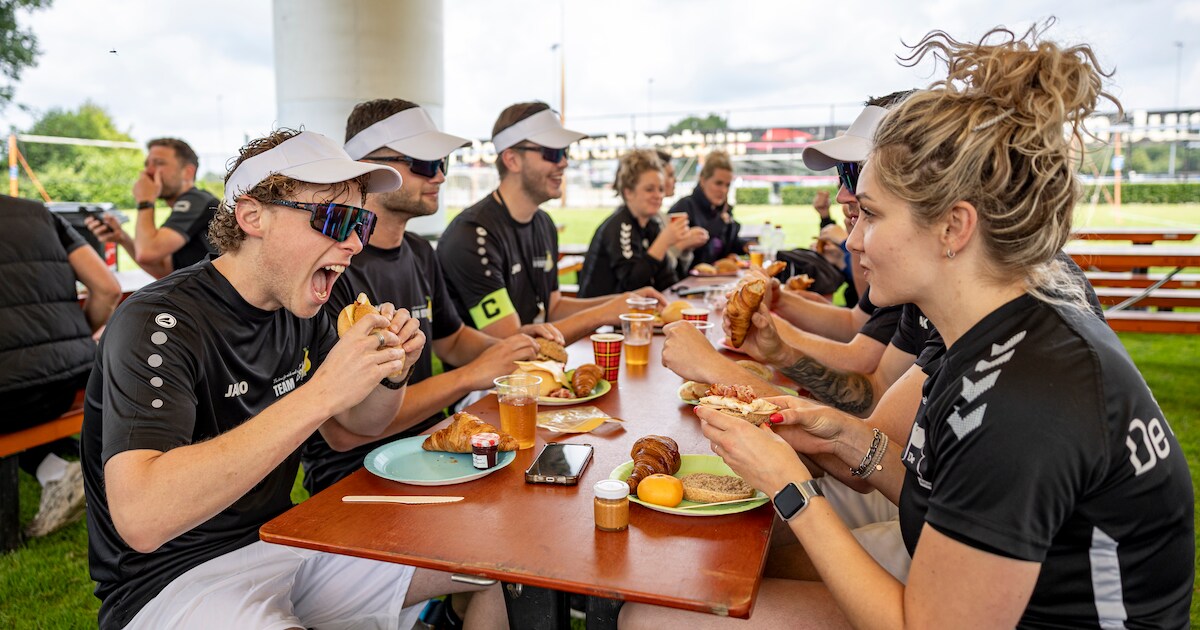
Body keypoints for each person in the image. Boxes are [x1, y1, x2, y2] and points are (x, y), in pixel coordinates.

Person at [626, 25, 1194, 628]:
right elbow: (943, 494)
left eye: (870, 214)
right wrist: (841, 437)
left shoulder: (1026, 394)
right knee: (726, 567)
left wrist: (791, 486)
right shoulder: (991, 330)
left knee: (653, 618)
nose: (852, 240)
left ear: (953, 227)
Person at [81, 129, 508, 630]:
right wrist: (322, 392)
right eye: (335, 219)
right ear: (252, 216)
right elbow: (143, 517)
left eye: (362, 222)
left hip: (277, 542)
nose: (354, 243)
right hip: (168, 581)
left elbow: (360, 425)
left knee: (492, 565)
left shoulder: (304, 307)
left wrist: (391, 373)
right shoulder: (158, 322)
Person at [301, 98, 557, 496]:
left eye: (443, 163)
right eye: (424, 163)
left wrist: (515, 348)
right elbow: (344, 432)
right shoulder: (332, 266)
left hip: (436, 447)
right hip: (357, 475)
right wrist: (470, 375)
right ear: (370, 168)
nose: (439, 175)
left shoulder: (420, 251)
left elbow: (452, 340)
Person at [438, 101, 664, 344]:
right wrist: (603, 313)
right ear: (512, 160)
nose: (564, 162)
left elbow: (553, 307)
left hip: (542, 365)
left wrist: (624, 302)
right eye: (552, 152)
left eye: (565, 152)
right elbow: (510, 341)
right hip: (502, 369)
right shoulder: (472, 235)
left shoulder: (543, 223)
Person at [0, 195, 120, 539]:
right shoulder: (39, 213)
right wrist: (72, 341)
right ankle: (52, 470)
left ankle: (53, 471)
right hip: (67, 382)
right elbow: (108, 289)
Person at [577, 150, 707, 297]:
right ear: (628, 193)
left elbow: (667, 281)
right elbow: (630, 285)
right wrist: (663, 243)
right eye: (649, 189)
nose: (658, 195)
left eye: (661, 189)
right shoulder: (620, 226)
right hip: (603, 310)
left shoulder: (651, 225)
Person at [86, 138, 219, 279]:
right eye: (147, 164)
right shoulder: (185, 210)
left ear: (188, 172)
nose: (148, 171)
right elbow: (165, 271)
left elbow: (147, 252)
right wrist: (122, 238)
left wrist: (145, 200)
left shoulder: (197, 201)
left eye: (159, 163)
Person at [667, 150, 747, 269]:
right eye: (718, 183)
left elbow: (729, 246)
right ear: (703, 180)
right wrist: (716, 226)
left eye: (727, 185)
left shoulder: (723, 210)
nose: (723, 190)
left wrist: (746, 246)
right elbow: (673, 258)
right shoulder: (684, 208)